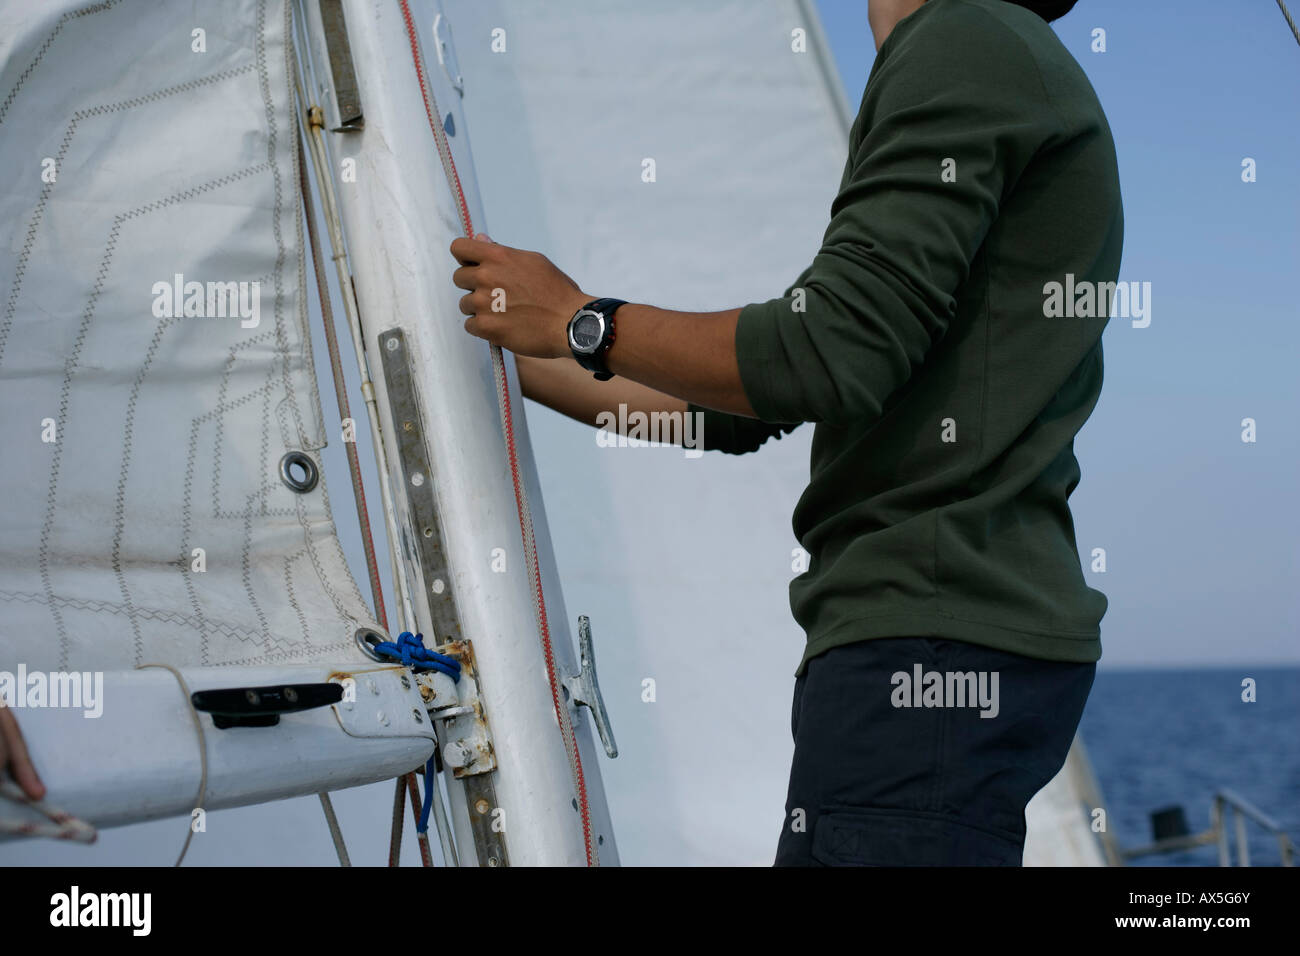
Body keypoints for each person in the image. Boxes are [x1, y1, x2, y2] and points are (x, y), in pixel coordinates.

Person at [451, 0, 1119, 865]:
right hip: (952, 645)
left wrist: (582, 319)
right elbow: (744, 408)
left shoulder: (964, 38)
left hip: (922, 652)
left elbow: (826, 352)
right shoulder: (1004, 55)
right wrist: (502, 342)